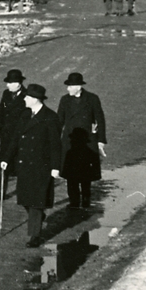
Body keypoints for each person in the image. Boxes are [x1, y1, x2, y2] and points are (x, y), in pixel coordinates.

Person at [0, 84, 61, 247]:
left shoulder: (50, 117)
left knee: (36, 201)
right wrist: (6, 158)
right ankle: (38, 218)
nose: (24, 99)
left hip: (42, 165)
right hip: (24, 164)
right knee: (25, 199)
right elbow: (15, 138)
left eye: (27, 97)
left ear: (34, 100)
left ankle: (35, 236)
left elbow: (56, 144)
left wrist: (55, 167)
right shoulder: (25, 114)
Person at [56, 72, 107, 209]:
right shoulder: (64, 100)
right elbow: (59, 121)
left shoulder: (92, 99)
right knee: (70, 174)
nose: (68, 89)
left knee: (85, 175)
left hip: (87, 141)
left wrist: (101, 140)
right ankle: (73, 202)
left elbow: (100, 119)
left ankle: (85, 200)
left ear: (78, 86)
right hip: (70, 141)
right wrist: (55, 139)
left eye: (70, 86)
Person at [0, 68, 28, 199]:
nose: (7, 85)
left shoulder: (27, 95)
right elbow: (1, 113)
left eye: (10, 83)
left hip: (20, 136)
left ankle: (22, 192)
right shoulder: (6, 94)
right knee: (4, 162)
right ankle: (0, 192)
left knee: (19, 165)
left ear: (18, 83)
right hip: (6, 135)